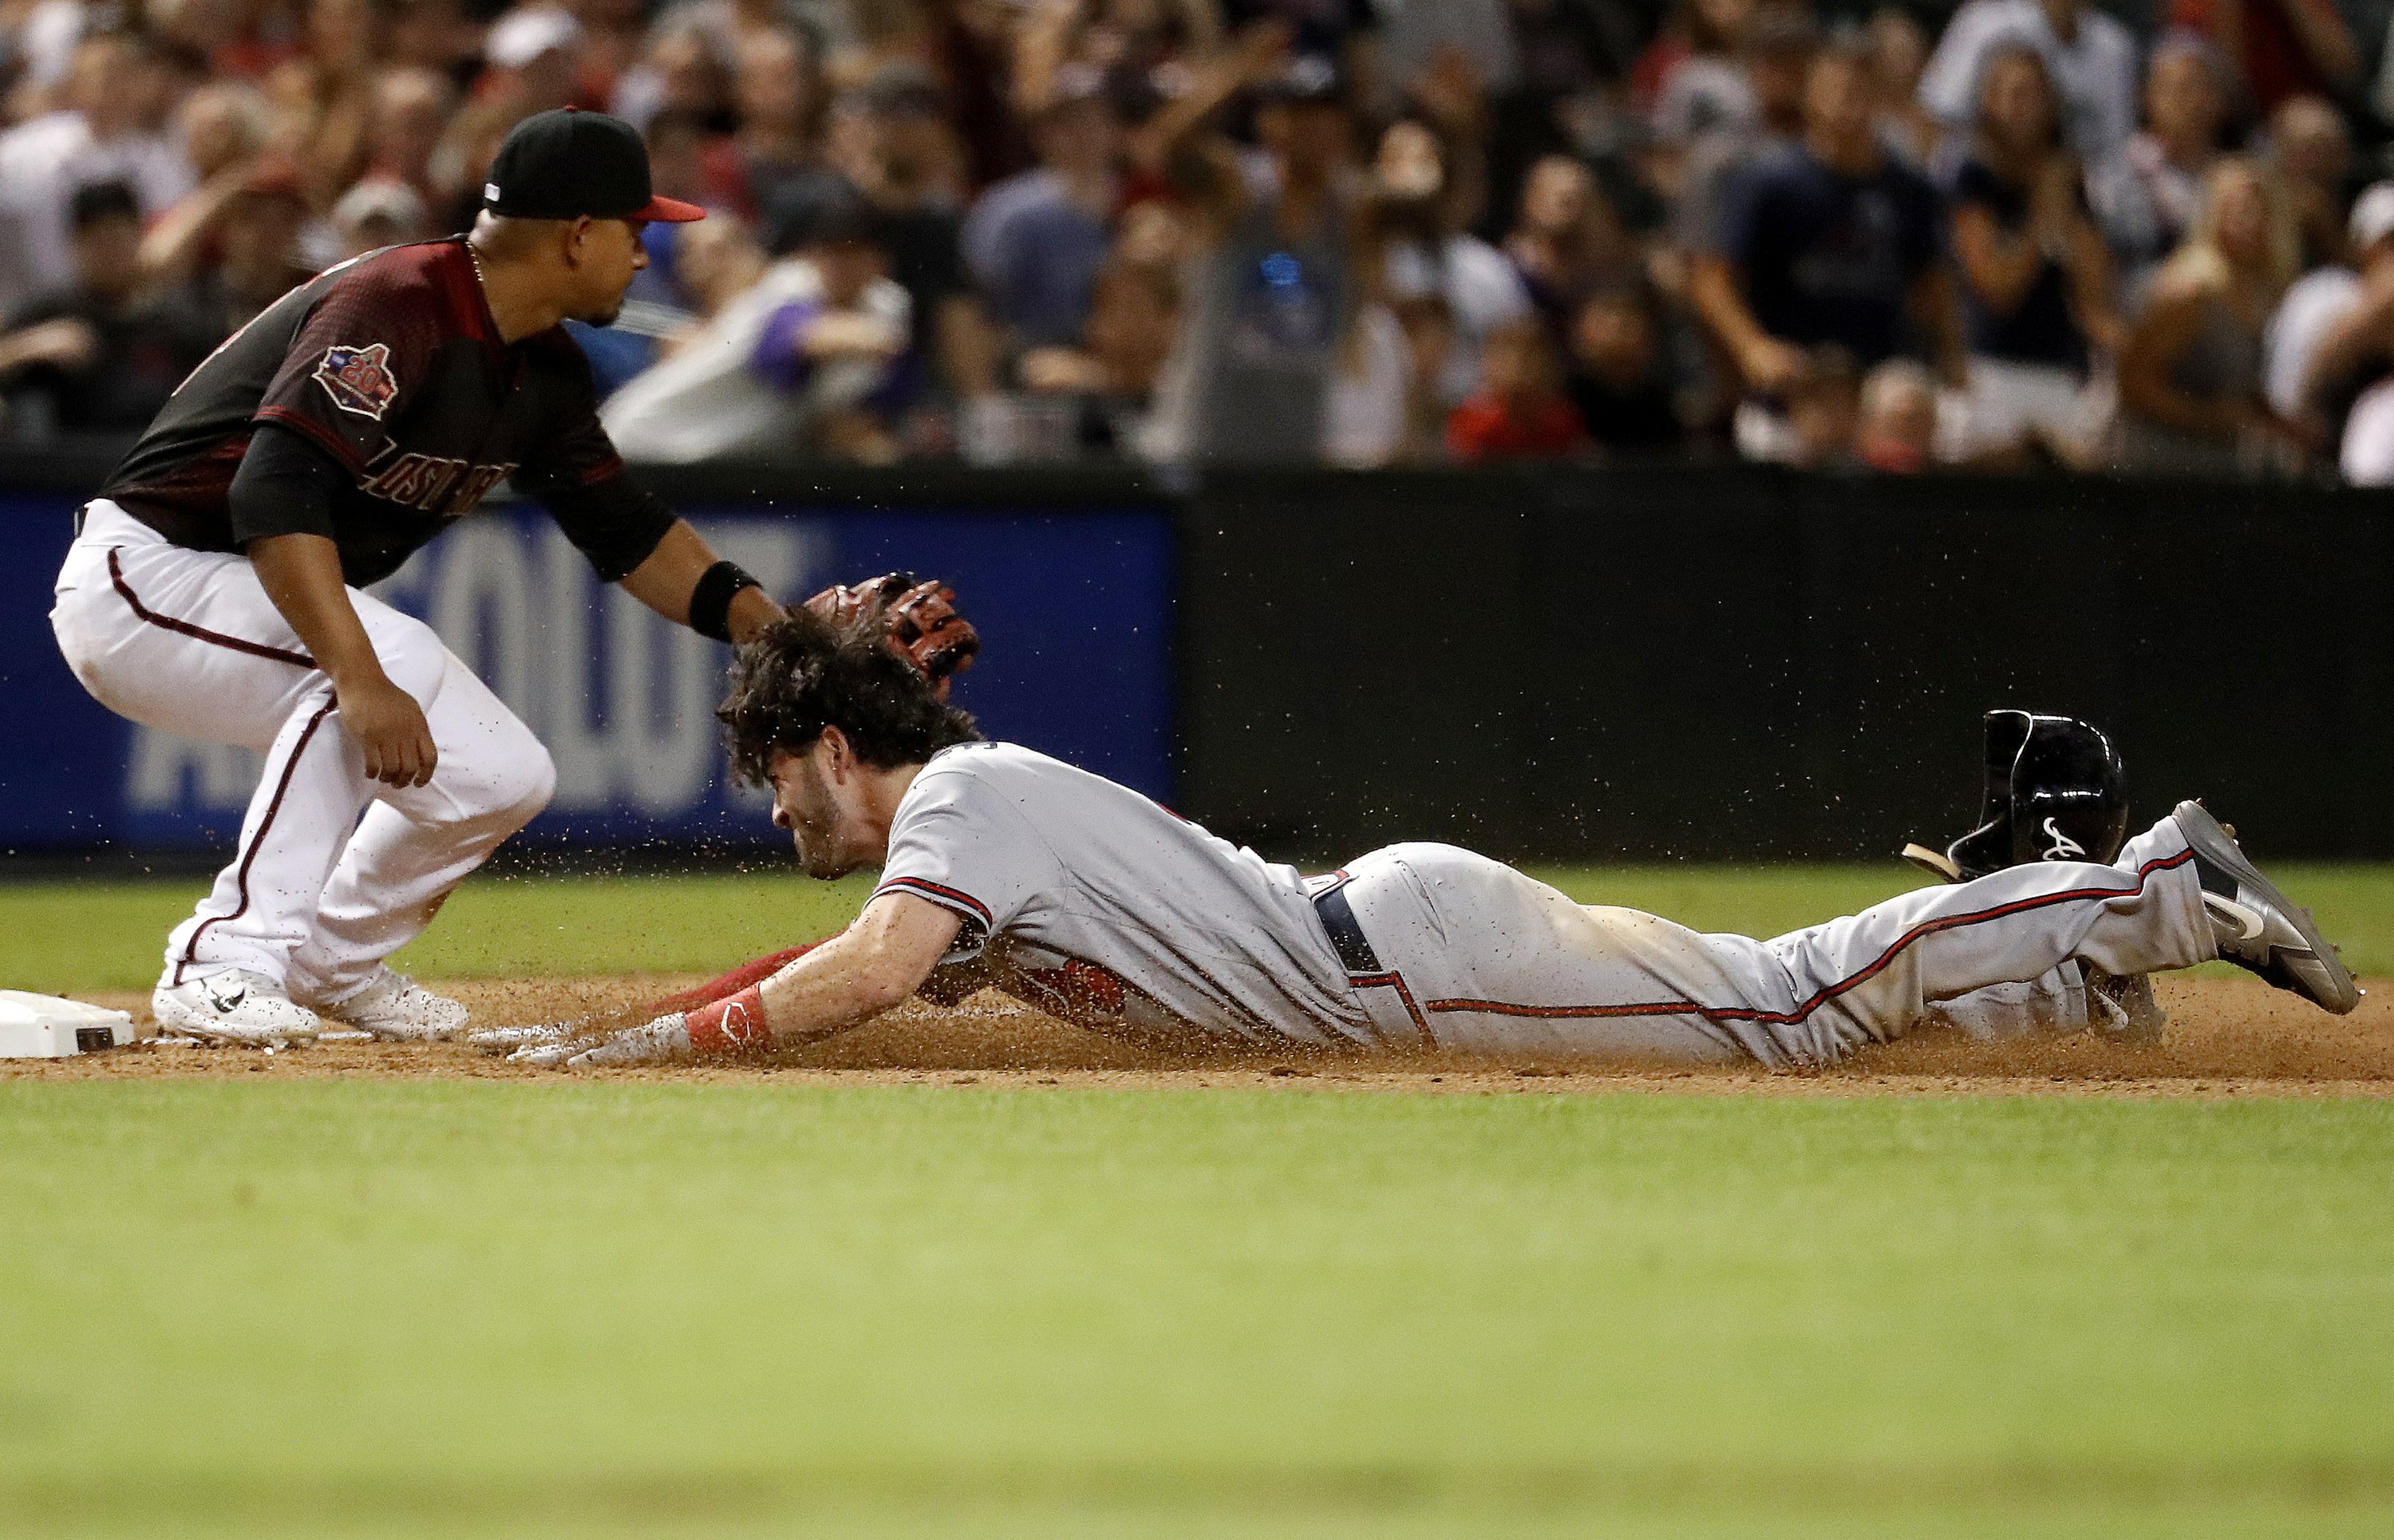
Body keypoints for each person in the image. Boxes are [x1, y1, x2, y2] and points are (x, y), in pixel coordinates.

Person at [492, 610, 2356, 1069]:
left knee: (1791, 1010)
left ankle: (2144, 884)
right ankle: (2048, 877)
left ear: (830, 746)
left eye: (775, 773)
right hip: (1408, 947)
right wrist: (635, 1027)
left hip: (1412, 970)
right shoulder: (970, 808)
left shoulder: (962, 804)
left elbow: (870, 975)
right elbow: (840, 959)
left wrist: (655, 1046)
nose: (773, 810)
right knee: (1780, 1025)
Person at [46, 109, 786, 1048]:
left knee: (502, 774)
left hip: (242, 589)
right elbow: (271, 495)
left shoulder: (545, 368)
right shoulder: (402, 299)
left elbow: (629, 532)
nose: (645, 256)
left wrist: (778, 627)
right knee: (375, 658)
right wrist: (356, 677)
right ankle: (223, 961)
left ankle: (331, 960)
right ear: (578, 233)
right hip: (147, 576)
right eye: (636, 231)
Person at [1690, 43, 1961, 442]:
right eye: (1836, 90)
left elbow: (1933, 285)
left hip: (1878, 399)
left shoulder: (1909, 189)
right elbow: (1711, 280)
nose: (1849, 101)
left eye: (1860, 89)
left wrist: (1954, 359)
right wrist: (1753, 347)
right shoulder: (1768, 182)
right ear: (1809, 98)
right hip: (1790, 396)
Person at [602, 189, 912, 462]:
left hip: (716, 461)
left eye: (854, 252)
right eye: (830, 251)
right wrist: (883, 339)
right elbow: (797, 341)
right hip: (642, 442)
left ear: (880, 260)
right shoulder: (791, 287)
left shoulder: (883, 304)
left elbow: (839, 417)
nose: (840, 264)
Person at [1946, 46, 2118, 465]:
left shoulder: (2066, 181)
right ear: (1987, 101)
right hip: (1991, 369)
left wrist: (2066, 210)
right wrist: (2041, 221)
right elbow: (1995, 289)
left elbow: (2095, 295)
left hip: (2063, 373)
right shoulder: (1972, 179)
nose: (2018, 108)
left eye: (2031, 94)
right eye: (2008, 94)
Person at [2110, 156, 2305, 476]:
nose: (2252, 221)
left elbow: (2239, 394)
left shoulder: (2267, 295)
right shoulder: (2189, 290)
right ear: (2215, 214)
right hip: (2157, 466)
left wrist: (2278, 423)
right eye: (2241, 209)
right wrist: (2208, 418)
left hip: (2220, 464)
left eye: (2263, 210)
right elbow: (2133, 384)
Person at [0, 181, 221, 437]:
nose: (110, 254)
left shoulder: (178, 320)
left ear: (140, 237)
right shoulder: (55, 312)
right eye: (97, 243)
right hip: (70, 466)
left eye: (117, 240)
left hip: (156, 460)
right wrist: (30, 348)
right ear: (76, 244)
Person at [2086, 38, 2230, 302]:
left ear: (2219, 99)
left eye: (2193, 87)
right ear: (2146, 98)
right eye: (2169, 88)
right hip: (2143, 314)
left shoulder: (2237, 176)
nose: (2182, 100)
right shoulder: (2113, 174)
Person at [1916, 0, 2139, 161]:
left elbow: (2116, 147)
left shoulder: (2115, 45)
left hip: (2079, 187)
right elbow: (1934, 120)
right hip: (1984, 179)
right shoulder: (1985, 22)